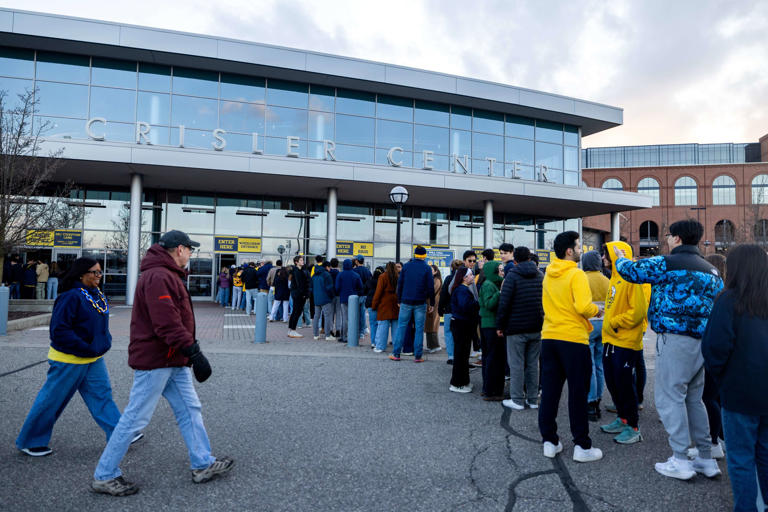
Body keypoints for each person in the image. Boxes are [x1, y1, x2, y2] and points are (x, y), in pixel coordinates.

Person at [92, 230, 232, 496]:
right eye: (190, 249)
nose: (191, 254)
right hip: (158, 359)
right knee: (135, 418)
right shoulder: (159, 276)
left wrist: (188, 353)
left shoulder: (166, 274)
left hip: (172, 358)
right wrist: (195, 352)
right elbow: (166, 323)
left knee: (190, 408)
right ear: (179, 249)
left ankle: (203, 463)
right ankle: (104, 474)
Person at [613, 219, 722, 480]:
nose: (667, 240)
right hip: (702, 342)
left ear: (677, 239)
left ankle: (681, 459)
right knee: (694, 399)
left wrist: (619, 258)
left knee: (669, 398)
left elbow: (631, 272)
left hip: (674, 339)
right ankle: (706, 458)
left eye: (669, 236)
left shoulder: (666, 263)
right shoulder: (711, 271)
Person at [16, 257, 142, 457]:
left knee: (102, 396)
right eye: (95, 272)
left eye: (100, 272)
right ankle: (30, 441)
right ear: (82, 274)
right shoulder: (70, 297)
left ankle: (119, 433)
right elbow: (59, 331)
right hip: (69, 359)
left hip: (92, 358)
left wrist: (103, 342)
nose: (99, 276)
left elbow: (99, 326)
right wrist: (85, 347)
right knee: (52, 401)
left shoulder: (96, 294)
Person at [702, 244, 768, 511]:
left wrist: (723, 381)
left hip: (739, 391)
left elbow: (714, 348)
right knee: (765, 453)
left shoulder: (728, 300)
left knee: (740, 458)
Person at [538, 231, 604, 463]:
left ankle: (550, 441)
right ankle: (582, 446)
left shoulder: (548, 274)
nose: (580, 250)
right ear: (569, 251)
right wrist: (599, 310)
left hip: (549, 338)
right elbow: (584, 306)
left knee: (550, 392)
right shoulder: (576, 274)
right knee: (578, 393)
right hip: (573, 340)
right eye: (578, 246)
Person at [598, 241, 648, 445]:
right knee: (613, 383)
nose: (603, 259)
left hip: (626, 342)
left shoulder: (632, 279)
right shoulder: (615, 279)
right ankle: (622, 418)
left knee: (626, 386)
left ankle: (633, 427)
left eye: (606, 255)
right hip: (611, 340)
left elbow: (638, 311)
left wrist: (615, 323)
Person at [496, 246, 543, 410]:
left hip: (516, 327)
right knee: (533, 364)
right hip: (536, 327)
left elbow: (504, 303)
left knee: (516, 364)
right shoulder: (540, 275)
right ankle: (532, 399)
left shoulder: (512, 276)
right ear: (530, 258)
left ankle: (517, 399)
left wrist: (500, 325)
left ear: (515, 260)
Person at [691, 253, 727, 459]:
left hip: (710, 351)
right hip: (720, 354)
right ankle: (718, 438)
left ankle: (714, 441)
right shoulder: (724, 290)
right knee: (715, 397)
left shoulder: (716, 293)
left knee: (708, 397)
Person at [389, 246, 435, 363]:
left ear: (415, 254)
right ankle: (418, 356)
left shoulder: (407, 266)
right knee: (419, 329)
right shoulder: (426, 268)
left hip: (406, 301)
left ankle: (396, 354)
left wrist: (399, 300)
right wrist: (432, 303)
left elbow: (400, 284)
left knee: (401, 327)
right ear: (424, 256)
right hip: (420, 302)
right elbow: (430, 287)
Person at [581, 250, 609, 421]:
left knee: (589, 364)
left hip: (589, 325)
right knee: (599, 364)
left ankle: (590, 402)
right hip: (605, 325)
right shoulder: (607, 280)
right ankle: (598, 397)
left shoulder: (582, 279)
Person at [449, 267, 479, 393]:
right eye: (471, 275)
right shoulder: (462, 290)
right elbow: (465, 307)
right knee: (461, 355)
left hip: (461, 324)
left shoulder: (462, 289)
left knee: (463, 354)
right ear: (464, 278)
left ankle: (463, 381)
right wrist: (478, 303)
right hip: (461, 325)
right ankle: (457, 383)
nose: (473, 277)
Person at [478, 260, 504, 401]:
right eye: (499, 270)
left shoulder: (490, 283)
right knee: (493, 358)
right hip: (491, 326)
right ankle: (491, 391)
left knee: (489, 357)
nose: (502, 272)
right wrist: (499, 293)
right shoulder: (489, 285)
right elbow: (489, 304)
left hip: (488, 325)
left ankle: (487, 388)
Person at [439, 259, 463, 365]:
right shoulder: (464, 278)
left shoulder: (449, 278)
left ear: (452, 268)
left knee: (448, 332)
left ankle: (451, 356)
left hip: (449, 310)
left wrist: (440, 309)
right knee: (459, 334)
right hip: (461, 311)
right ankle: (460, 355)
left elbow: (443, 294)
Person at [372, 262, 399, 353]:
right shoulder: (398, 277)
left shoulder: (383, 276)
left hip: (384, 304)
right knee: (396, 328)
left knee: (382, 327)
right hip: (396, 304)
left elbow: (378, 292)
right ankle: (397, 347)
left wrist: (374, 305)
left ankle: (380, 346)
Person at [335, 259, 363, 344]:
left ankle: (344, 337)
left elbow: (337, 287)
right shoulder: (356, 275)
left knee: (345, 318)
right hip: (354, 299)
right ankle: (354, 336)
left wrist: (340, 293)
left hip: (343, 298)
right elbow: (361, 287)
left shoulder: (340, 274)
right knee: (354, 318)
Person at [311, 258, 335, 341]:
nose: (330, 269)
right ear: (327, 267)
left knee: (316, 316)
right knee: (327, 316)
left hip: (316, 299)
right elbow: (329, 288)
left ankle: (315, 335)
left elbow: (311, 287)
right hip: (326, 299)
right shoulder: (326, 275)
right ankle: (328, 335)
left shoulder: (314, 274)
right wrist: (332, 296)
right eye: (330, 267)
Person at [288, 255, 309, 338]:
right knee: (297, 312)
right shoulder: (297, 271)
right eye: (300, 260)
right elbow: (300, 284)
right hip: (298, 295)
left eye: (302, 260)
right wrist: (303, 294)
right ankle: (293, 330)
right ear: (296, 262)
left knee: (295, 312)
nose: (302, 261)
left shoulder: (298, 270)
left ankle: (290, 330)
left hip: (296, 294)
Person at [424, 264, 442, 354]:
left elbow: (432, 291)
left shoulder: (436, 280)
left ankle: (435, 346)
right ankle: (430, 345)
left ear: (435, 271)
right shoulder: (430, 279)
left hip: (434, 306)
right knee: (428, 325)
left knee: (432, 326)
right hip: (430, 305)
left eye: (431, 270)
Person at [364, 267, 384, 349]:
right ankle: (378, 341)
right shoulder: (381, 282)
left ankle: (373, 342)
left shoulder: (369, 281)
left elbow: (364, 291)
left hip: (370, 304)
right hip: (379, 304)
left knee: (372, 324)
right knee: (380, 324)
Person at [353, 255, 372, 340]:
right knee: (363, 313)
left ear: (357, 261)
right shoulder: (367, 271)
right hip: (365, 295)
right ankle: (363, 331)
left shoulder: (354, 271)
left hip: (356, 295)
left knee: (356, 314)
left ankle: (358, 331)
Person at [329, 258, 341, 338]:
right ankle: (338, 330)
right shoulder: (340, 274)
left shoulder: (328, 273)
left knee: (330, 314)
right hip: (338, 295)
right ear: (337, 265)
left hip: (330, 296)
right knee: (338, 314)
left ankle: (330, 330)